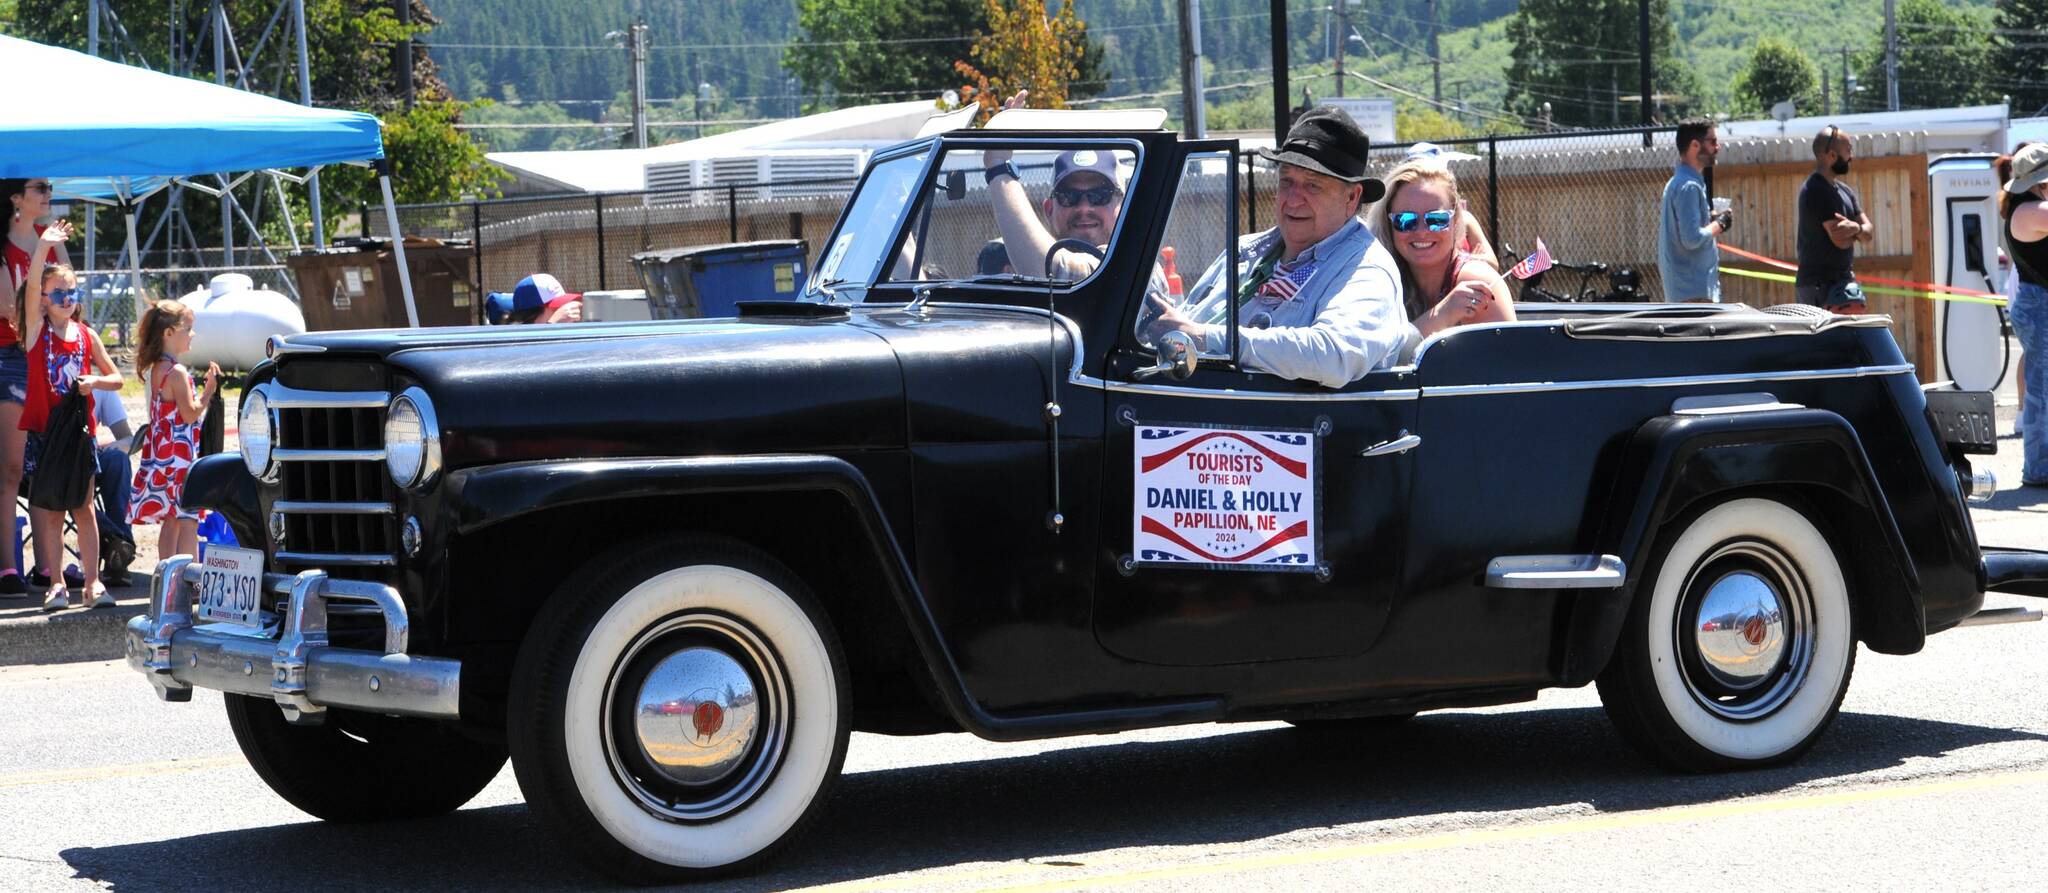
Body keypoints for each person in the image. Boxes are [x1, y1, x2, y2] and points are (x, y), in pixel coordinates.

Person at [1145, 106, 1421, 388]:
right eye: (1286, 181)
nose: (1293, 199)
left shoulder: (1366, 269)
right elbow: (1186, 324)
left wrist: (1208, 337)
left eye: (1313, 185)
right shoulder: (1244, 251)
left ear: (1352, 197)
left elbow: (1334, 355)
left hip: (1300, 425)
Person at [19, 221, 123, 611]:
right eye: (57, 293)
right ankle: (56, 583)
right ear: (44, 299)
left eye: (71, 292)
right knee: (49, 509)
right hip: (47, 434)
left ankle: (93, 583)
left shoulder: (86, 335)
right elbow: (30, 288)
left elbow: (115, 378)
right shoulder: (35, 331)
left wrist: (94, 379)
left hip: (80, 435)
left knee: (84, 508)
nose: (65, 298)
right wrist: (43, 249)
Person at [0, 178, 69, 598]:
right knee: (10, 469)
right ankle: (8, 566)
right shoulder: (5, 248)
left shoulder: (51, 240)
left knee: (48, 468)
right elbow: (10, 312)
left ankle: (50, 568)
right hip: (11, 360)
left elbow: (66, 292)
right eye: (38, 188)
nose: (47, 194)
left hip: (49, 355)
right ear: (15, 198)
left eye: (48, 187)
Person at [1367, 159, 1517, 330]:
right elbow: (1376, 354)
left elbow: (1505, 355)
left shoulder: (1476, 282)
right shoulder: (1381, 279)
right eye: (1406, 220)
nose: (1422, 231)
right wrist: (1443, 314)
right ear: (1388, 225)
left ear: (1456, 221)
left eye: (1437, 219)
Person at [129, 297, 219, 571]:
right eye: (188, 329)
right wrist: (209, 390)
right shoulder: (177, 372)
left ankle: (166, 573)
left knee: (171, 519)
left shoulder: (159, 369)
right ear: (169, 333)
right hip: (180, 459)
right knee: (189, 519)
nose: (192, 335)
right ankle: (191, 579)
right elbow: (190, 413)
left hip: (162, 456)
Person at [2001, 143, 2048, 486]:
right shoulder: (2031, 210)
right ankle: (2038, 468)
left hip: (2037, 304)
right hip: (2039, 305)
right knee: (2042, 393)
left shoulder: (2024, 207)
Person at [1796, 125, 1873, 312]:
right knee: (1818, 341)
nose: (1851, 157)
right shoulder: (1816, 190)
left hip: (1842, 282)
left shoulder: (1845, 191)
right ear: (1831, 156)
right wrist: (1858, 231)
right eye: (1848, 151)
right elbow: (1841, 242)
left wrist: (1855, 229)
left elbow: (1869, 233)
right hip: (1818, 285)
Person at [1658, 117, 1732, 303]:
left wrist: (1712, 218)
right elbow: (1692, 239)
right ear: (1695, 145)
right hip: (1692, 291)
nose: (1718, 147)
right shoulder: (1688, 186)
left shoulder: (1682, 182)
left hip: (1689, 288)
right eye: (1713, 141)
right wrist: (1720, 224)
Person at [93, 387, 136, 586]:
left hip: (87, 457)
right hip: (50, 464)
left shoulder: (99, 385)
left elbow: (127, 438)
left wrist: (106, 446)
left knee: (118, 460)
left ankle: (117, 559)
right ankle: (118, 542)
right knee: (71, 479)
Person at [501, 274, 582, 325]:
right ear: (532, 315)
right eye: (556, 310)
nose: (566, 312)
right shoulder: (515, 342)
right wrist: (553, 325)